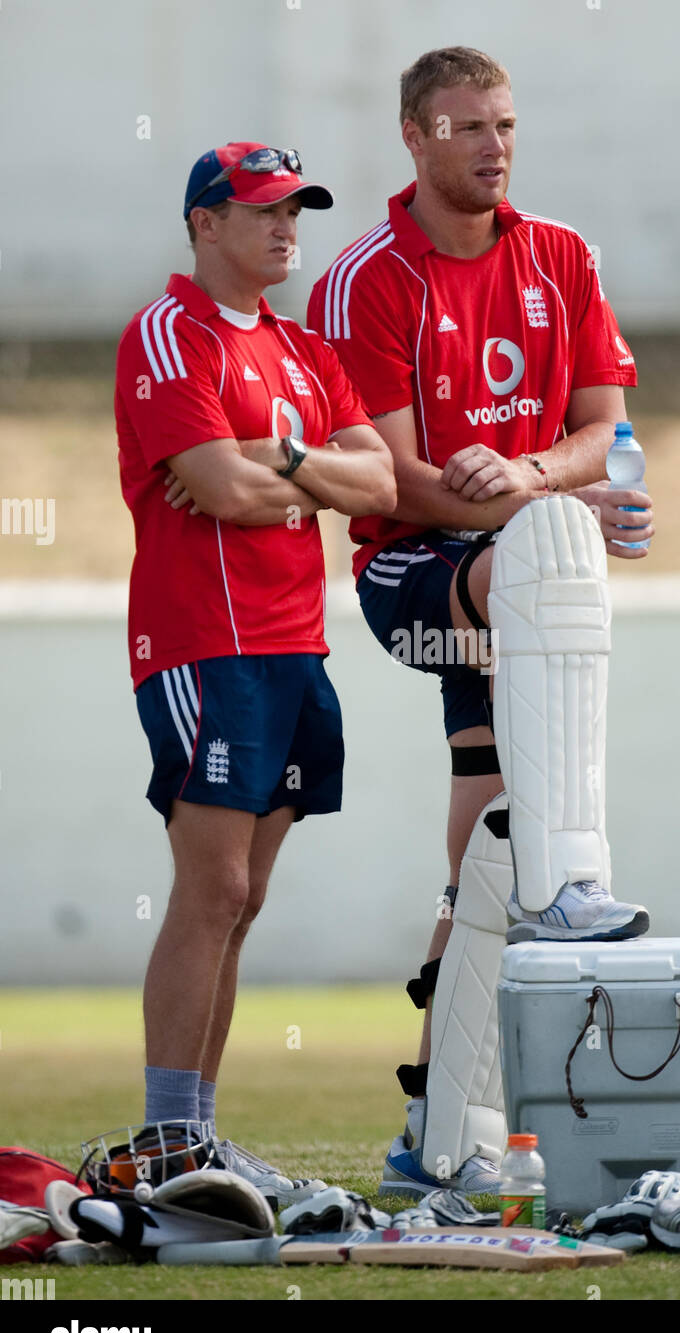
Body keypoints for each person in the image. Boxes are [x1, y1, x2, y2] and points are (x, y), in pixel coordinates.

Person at [309, 49, 656, 1198]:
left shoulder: (562, 255)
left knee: (481, 850)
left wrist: (524, 473)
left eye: (502, 123)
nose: (491, 145)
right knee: (555, 545)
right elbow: (390, 485)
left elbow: (603, 435)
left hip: (511, 575)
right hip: (412, 575)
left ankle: (435, 1126)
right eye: (463, 127)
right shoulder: (369, 277)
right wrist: (537, 501)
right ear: (412, 137)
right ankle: (576, 872)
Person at [114, 142, 395, 1207]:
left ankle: (199, 1136)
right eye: (264, 209)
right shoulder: (164, 333)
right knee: (215, 886)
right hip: (205, 646)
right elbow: (214, 489)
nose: (286, 228)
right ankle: (170, 1139)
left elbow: (373, 479)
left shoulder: (304, 348)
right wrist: (289, 473)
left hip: (293, 650)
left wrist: (279, 461)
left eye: (295, 210)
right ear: (204, 224)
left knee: (247, 898)